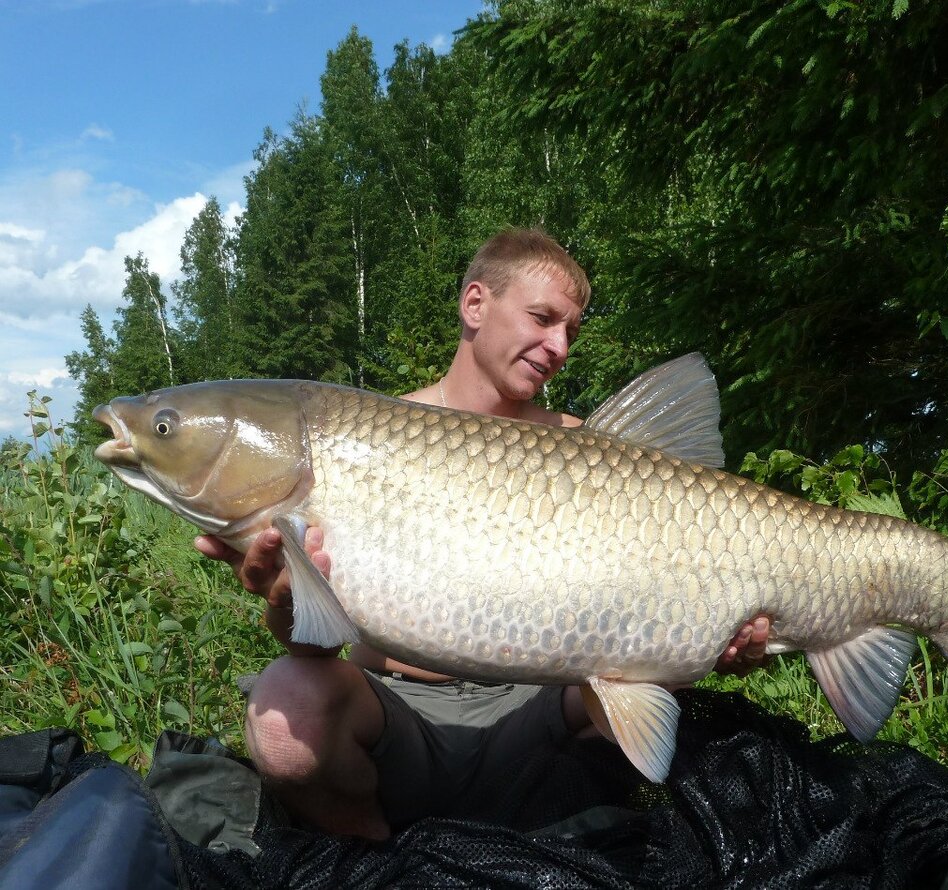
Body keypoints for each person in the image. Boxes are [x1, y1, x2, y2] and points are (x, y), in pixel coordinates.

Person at [196, 228, 771, 839]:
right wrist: (287, 596)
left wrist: (716, 644)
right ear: (476, 304)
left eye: (570, 332)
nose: (558, 347)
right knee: (286, 712)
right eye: (543, 318)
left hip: (541, 711)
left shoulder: (594, 451)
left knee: (658, 670)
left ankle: (560, 838)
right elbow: (312, 647)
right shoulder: (363, 441)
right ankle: (377, 861)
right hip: (399, 714)